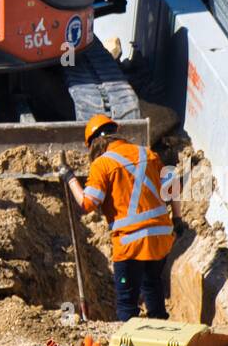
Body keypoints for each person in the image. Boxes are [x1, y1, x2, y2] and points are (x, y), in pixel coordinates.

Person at [60, 114, 180, 321]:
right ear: (117, 134)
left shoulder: (102, 165)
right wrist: (177, 219)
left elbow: (87, 203)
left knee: (127, 304)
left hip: (130, 243)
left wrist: (70, 178)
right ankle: (161, 339)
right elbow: (173, 186)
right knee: (153, 287)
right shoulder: (148, 153)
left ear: (94, 144)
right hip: (161, 238)